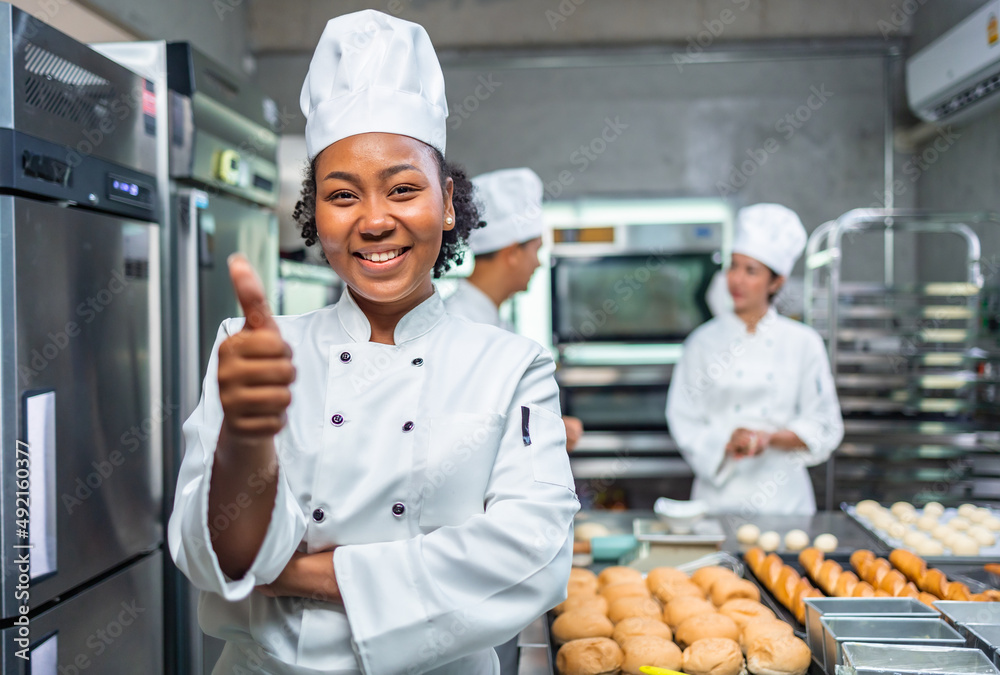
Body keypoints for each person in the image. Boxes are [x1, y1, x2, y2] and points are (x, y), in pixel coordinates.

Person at [167, 10, 578, 674]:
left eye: (403, 189)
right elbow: (217, 560)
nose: (375, 220)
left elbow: (534, 559)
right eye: (342, 194)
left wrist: (308, 575)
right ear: (315, 212)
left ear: (447, 203)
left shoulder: (512, 365)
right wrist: (245, 434)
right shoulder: (253, 351)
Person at [665, 203, 843, 515]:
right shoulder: (702, 342)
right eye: (733, 267)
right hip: (718, 501)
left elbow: (824, 424)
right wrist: (724, 441)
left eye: (751, 271)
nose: (736, 280)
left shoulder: (803, 343)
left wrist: (770, 437)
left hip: (785, 503)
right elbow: (683, 418)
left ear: (776, 282)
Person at [446, 167, 584, 452]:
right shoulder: (457, 326)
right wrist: (547, 430)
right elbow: (465, 431)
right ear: (511, 253)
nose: (539, 263)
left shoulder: (496, 321)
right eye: (536, 250)